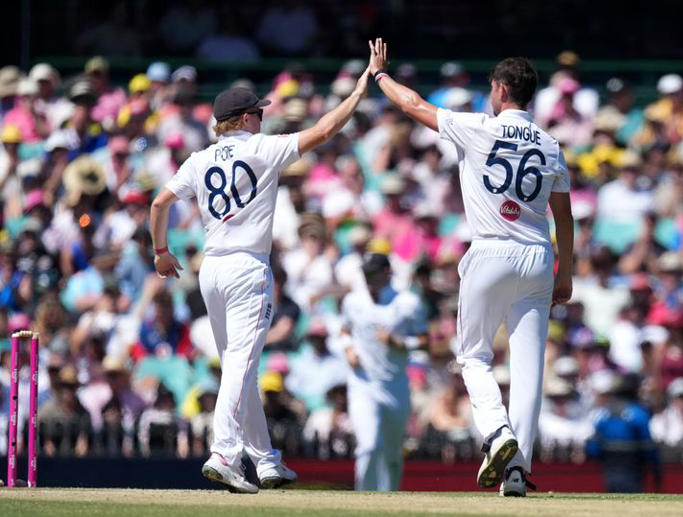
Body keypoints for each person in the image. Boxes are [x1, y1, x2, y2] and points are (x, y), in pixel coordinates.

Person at [149, 63, 371, 492]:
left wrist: (161, 252)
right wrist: (359, 92)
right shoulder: (263, 148)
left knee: (242, 367)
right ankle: (224, 452)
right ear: (246, 118)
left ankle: (266, 461)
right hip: (249, 268)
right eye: (259, 112)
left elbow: (159, 204)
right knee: (239, 364)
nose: (263, 118)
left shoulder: (199, 159)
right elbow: (324, 130)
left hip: (210, 270)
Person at [367, 38, 574, 497]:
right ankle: (517, 471)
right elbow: (565, 215)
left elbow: (414, 104)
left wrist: (380, 75)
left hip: (491, 250)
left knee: (474, 356)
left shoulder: (479, 126)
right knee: (528, 372)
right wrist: (566, 273)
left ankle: (497, 434)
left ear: (501, 90)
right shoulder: (551, 143)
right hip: (539, 255)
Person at [340, 253, 428, 491]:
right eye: (365, 274)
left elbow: (424, 341)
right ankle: (363, 502)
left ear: (387, 273)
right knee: (368, 446)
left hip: (396, 385)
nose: (368, 279)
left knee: (392, 454)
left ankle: (389, 502)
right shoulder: (353, 301)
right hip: (363, 384)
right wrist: (348, 350)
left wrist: (400, 343)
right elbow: (345, 330)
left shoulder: (408, 303)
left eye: (373, 274)